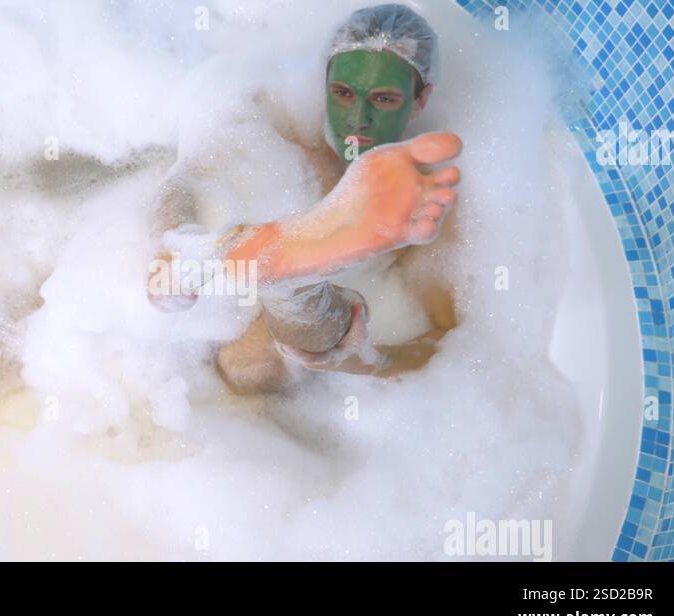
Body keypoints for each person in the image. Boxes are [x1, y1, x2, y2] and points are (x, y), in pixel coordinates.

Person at [147, 4, 463, 394]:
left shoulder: (423, 206)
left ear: (420, 100)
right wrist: (169, 250)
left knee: (250, 366)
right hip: (218, 309)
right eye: (343, 93)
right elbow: (185, 178)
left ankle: (290, 284)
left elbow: (445, 343)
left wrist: (361, 361)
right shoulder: (276, 124)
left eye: (383, 99)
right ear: (324, 81)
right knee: (167, 281)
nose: (358, 118)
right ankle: (251, 273)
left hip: (268, 359)